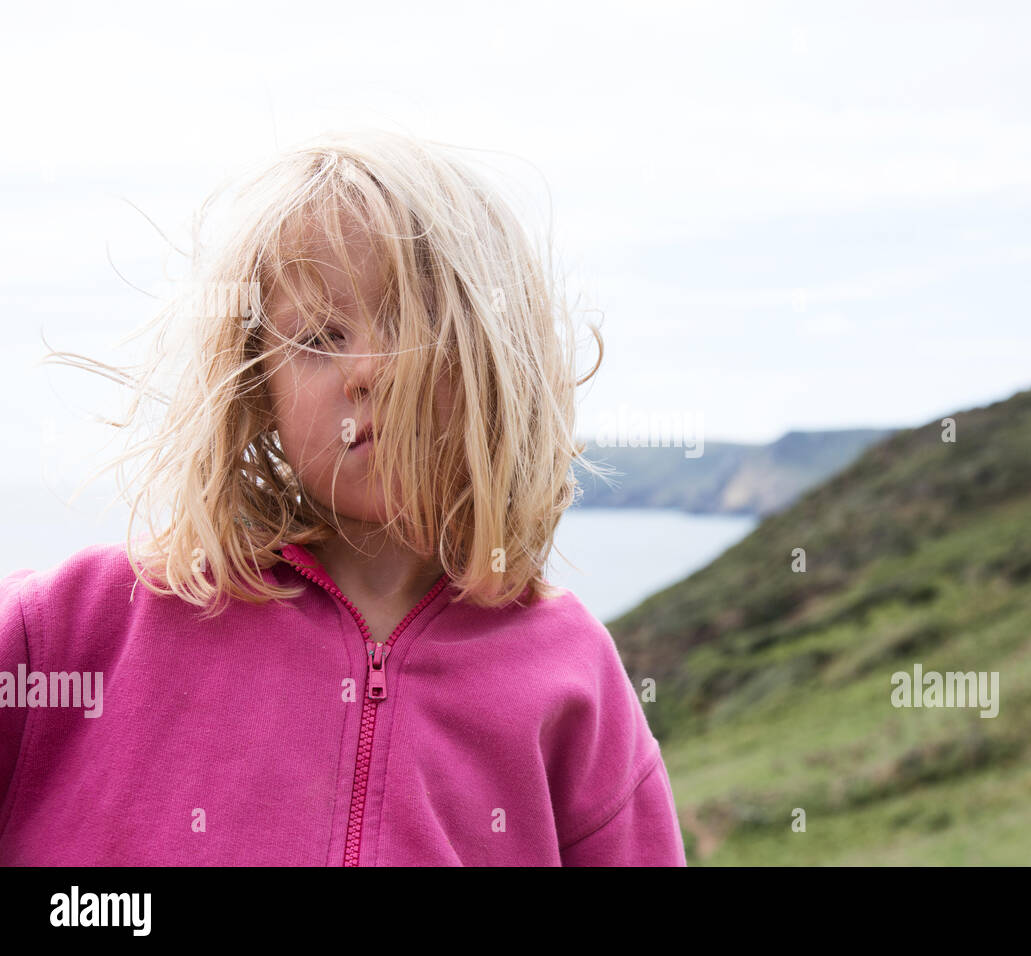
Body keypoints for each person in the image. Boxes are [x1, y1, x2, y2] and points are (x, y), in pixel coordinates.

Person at [0, 129, 686, 866]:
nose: (365, 370)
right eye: (319, 338)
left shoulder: (572, 676)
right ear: (261, 391)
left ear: (497, 360)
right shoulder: (80, 626)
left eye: (413, 327)